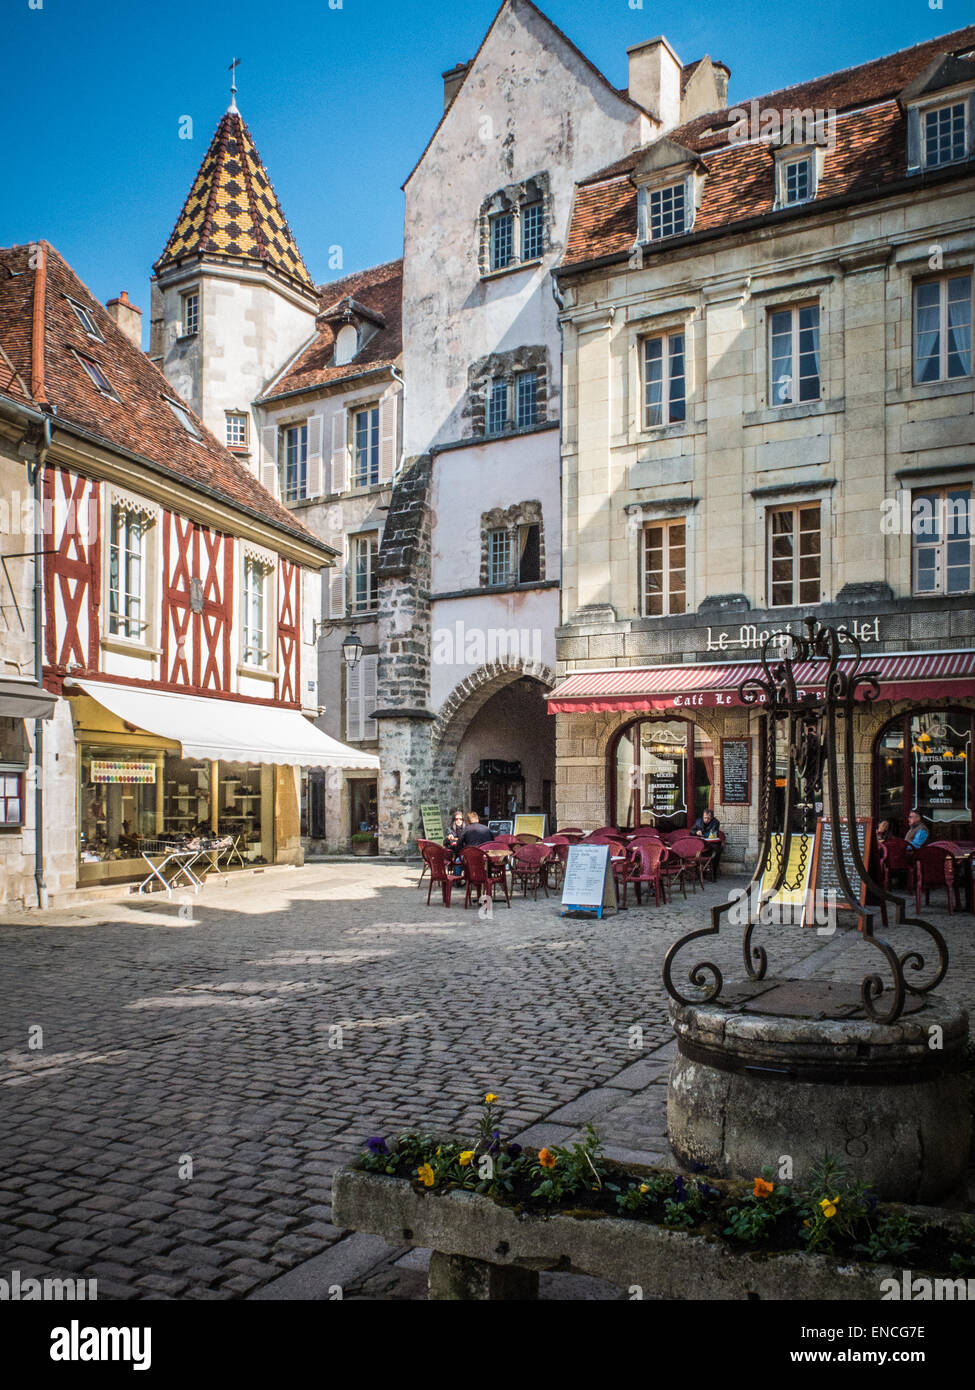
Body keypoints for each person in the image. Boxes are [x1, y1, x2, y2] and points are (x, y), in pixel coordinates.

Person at [691, 807, 722, 875]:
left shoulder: (715, 822)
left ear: (712, 817)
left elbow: (713, 832)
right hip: (700, 843)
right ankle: (697, 872)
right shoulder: (698, 821)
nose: (706, 819)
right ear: (703, 816)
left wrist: (703, 834)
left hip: (712, 843)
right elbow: (691, 831)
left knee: (717, 851)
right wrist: (696, 832)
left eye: (708, 818)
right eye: (705, 817)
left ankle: (713, 873)